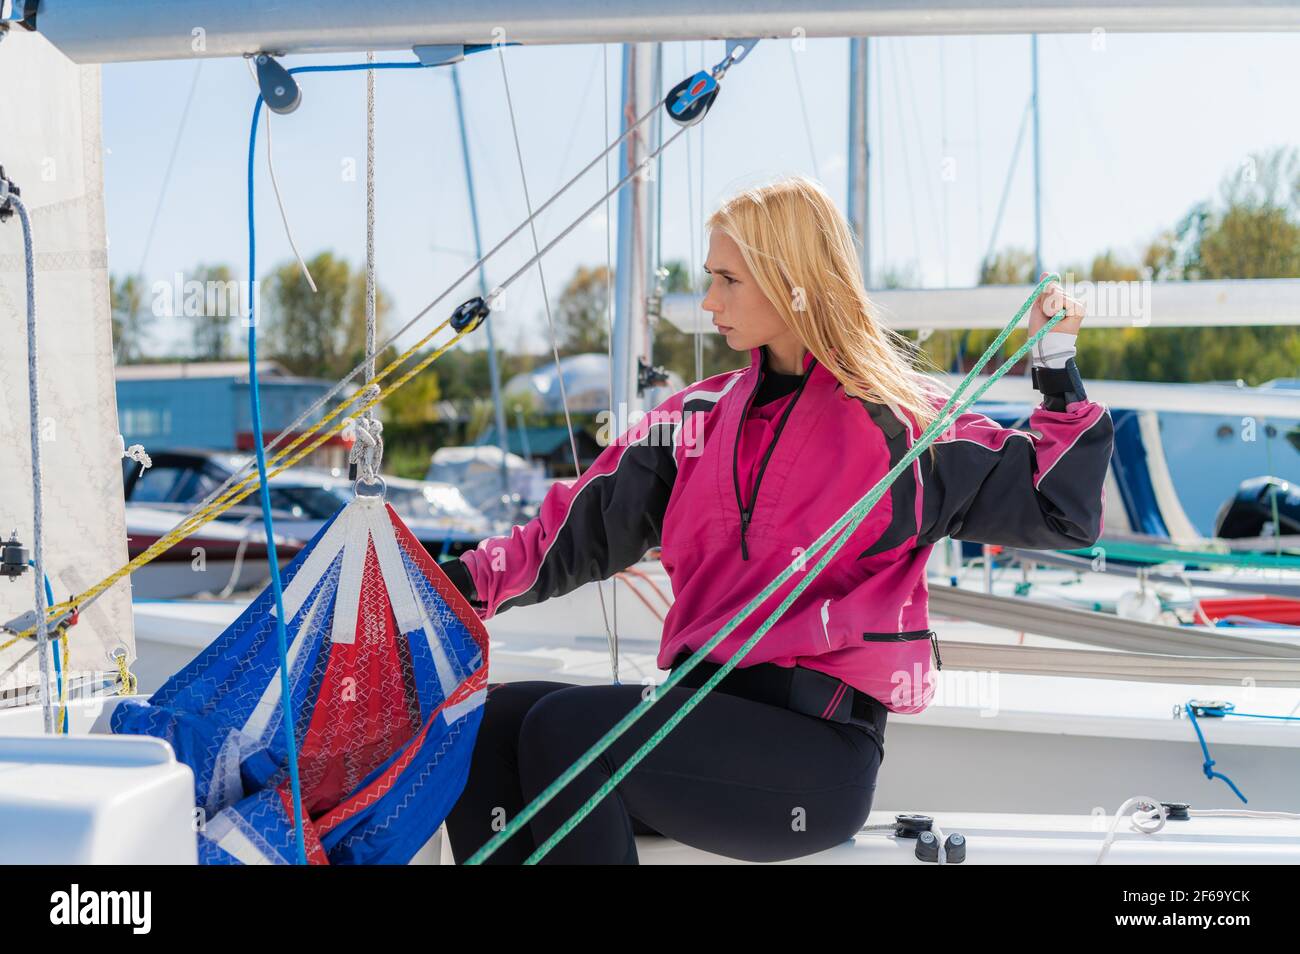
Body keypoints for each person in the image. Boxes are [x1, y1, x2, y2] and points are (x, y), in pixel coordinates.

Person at [441, 174, 1113, 864]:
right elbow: (579, 526)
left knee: (568, 731)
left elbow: (1058, 508)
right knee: (480, 725)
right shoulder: (698, 420)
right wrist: (452, 583)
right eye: (710, 278)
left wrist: (1055, 362)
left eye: (728, 279)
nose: (709, 302)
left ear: (793, 281)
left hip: (814, 754)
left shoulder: (901, 426)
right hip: (699, 719)